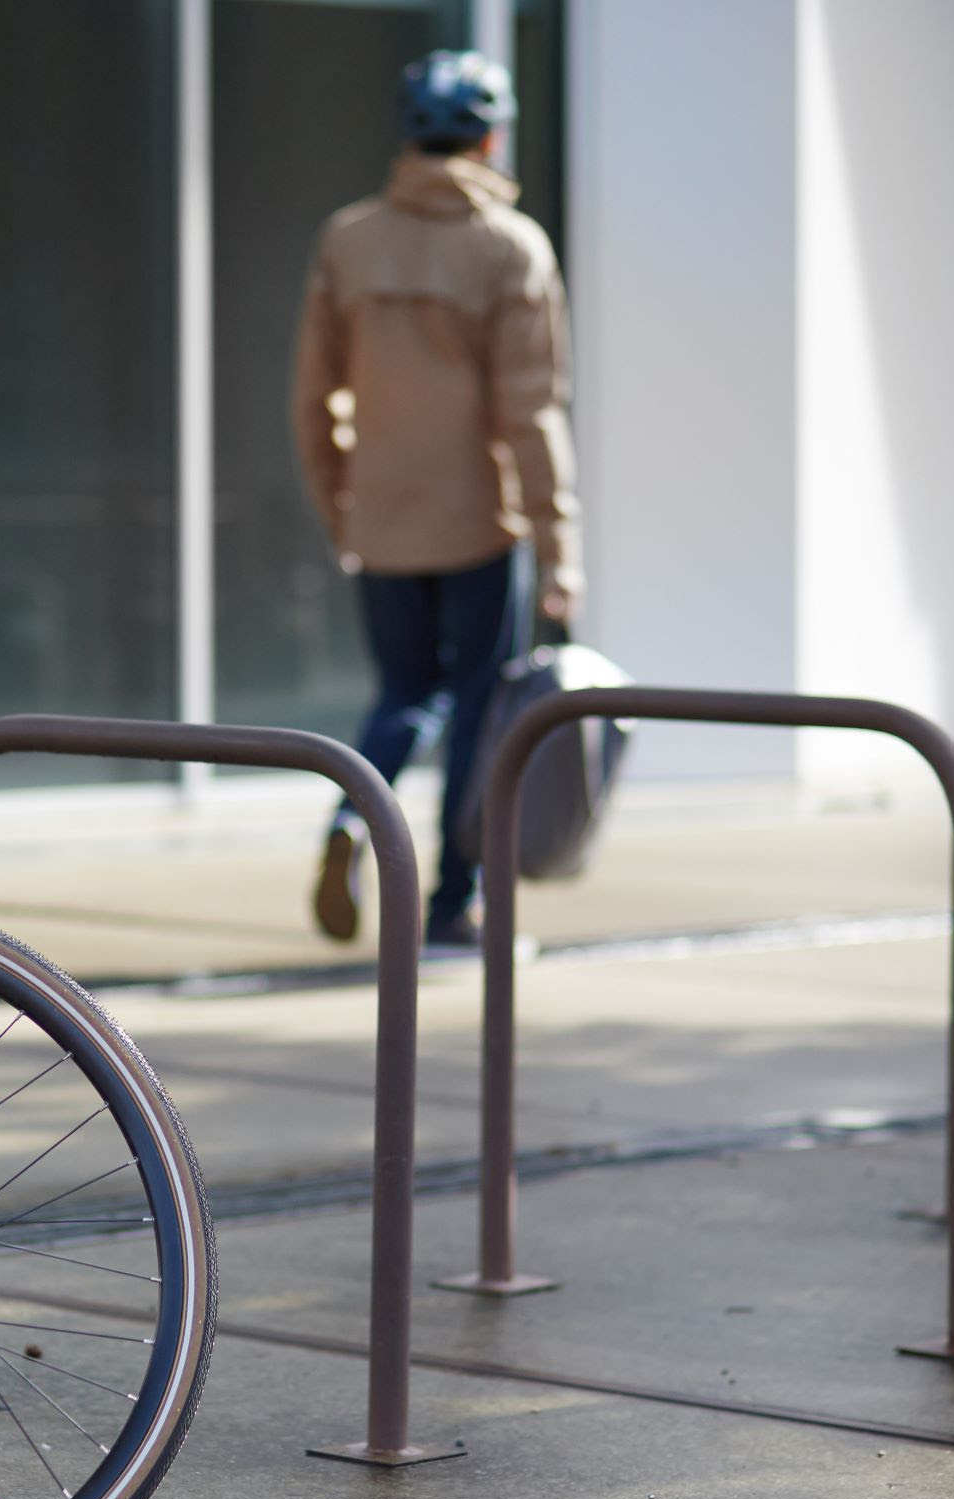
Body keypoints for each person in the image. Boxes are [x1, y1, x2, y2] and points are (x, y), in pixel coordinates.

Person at [293, 48, 580, 953]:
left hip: (381, 515)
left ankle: (352, 816)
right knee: (478, 707)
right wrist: (559, 550)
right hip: (481, 522)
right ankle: (455, 903)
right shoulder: (510, 247)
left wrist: (340, 505)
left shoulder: (350, 238)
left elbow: (312, 395)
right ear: (492, 139)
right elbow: (531, 413)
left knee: (404, 693)